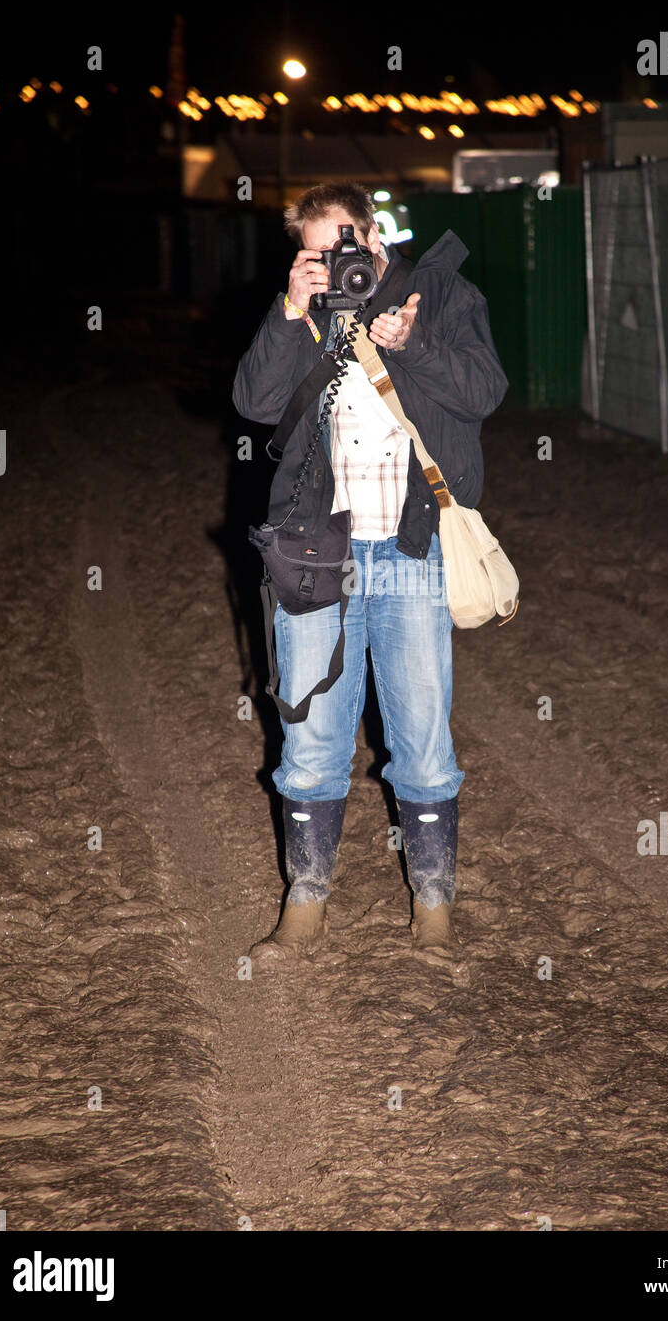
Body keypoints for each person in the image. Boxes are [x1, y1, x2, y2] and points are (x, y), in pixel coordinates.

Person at [232, 181, 507, 960]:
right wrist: (291, 312)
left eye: (348, 238)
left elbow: (485, 391)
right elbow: (254, 402)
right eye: (319, 251)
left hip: (412, 553)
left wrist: (412, 345)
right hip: (319, 553)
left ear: (375, 229)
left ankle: (434, 906)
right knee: (312, 738)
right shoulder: (306, 312)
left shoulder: (439, 292)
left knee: (422, 738)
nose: (339, 257)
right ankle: (305, 904)